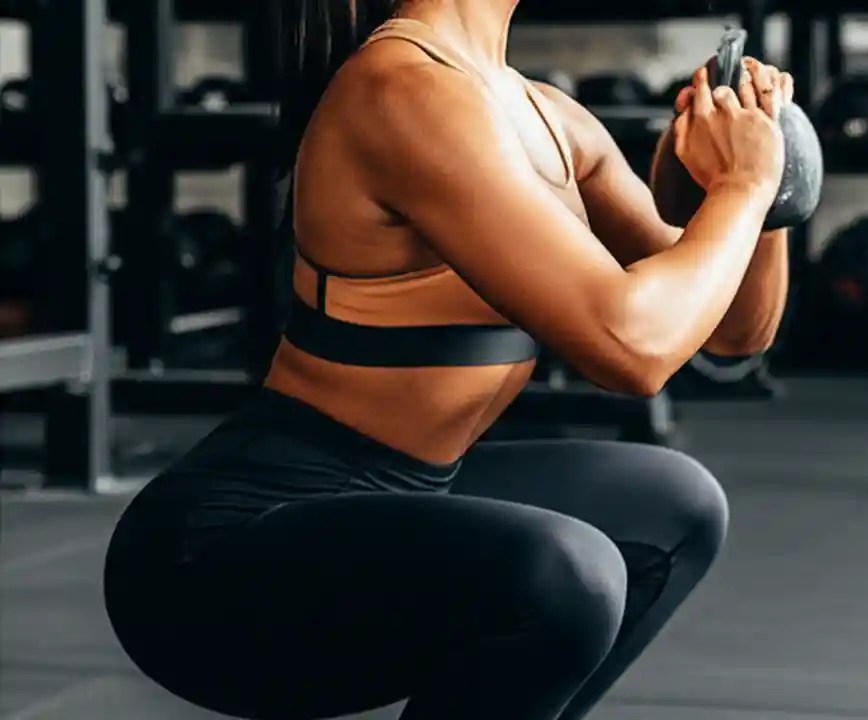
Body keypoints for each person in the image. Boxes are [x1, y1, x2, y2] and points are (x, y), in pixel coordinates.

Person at [102, 0, 792, 718]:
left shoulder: (545, 114)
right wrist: (743, 188)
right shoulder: (402, 90)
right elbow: (631, 348)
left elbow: (734, 331)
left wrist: (758, 185)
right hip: (222, 559)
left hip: (402, 499)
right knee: (564, 573)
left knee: (671, 505)